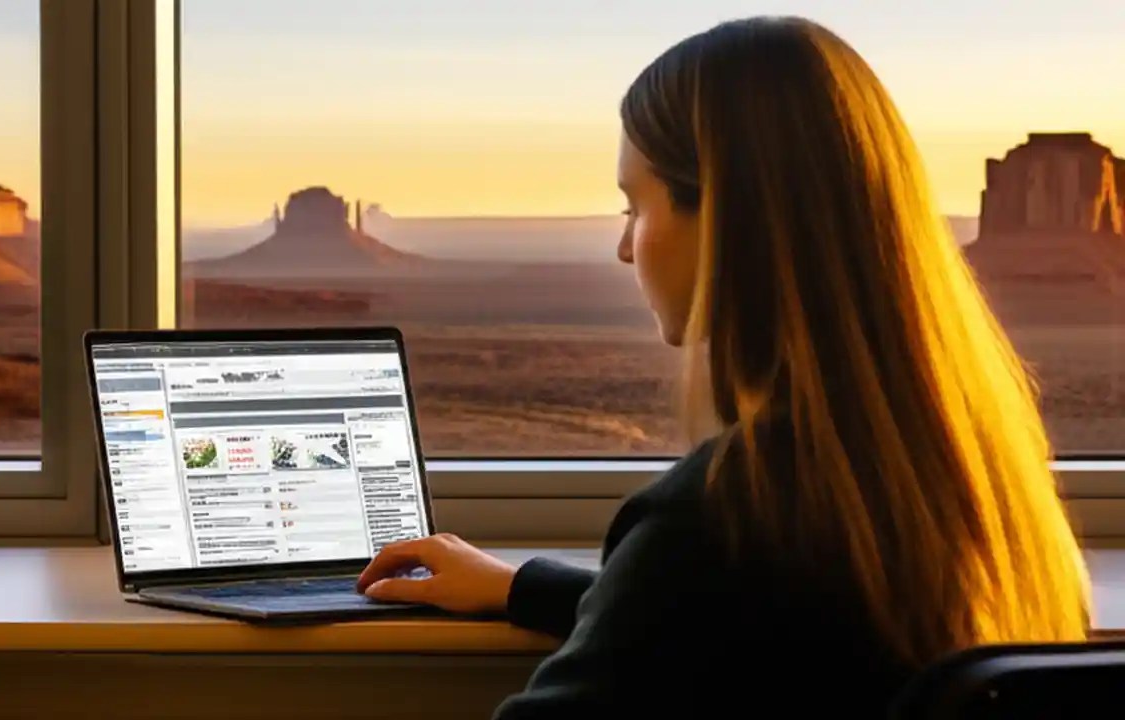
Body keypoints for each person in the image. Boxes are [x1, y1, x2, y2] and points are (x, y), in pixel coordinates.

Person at [357, 15, 1090, 717]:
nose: (624, 249)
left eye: (633, 209)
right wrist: (526, 588)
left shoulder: (723, 517)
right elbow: (743, 623)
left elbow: (700, 596)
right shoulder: (978, 478)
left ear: (723, 219)